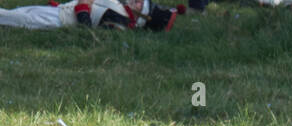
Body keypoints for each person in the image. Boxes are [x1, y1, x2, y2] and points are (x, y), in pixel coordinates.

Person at [0, 0, 179, 30]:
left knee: (13, 18)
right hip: (59, 11)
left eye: (140, 3)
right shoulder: (122, 8)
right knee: (16, 13)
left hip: (59, 20)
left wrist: (85, 6)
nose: (136, 1)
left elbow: (86, 20)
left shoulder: (121, 20)